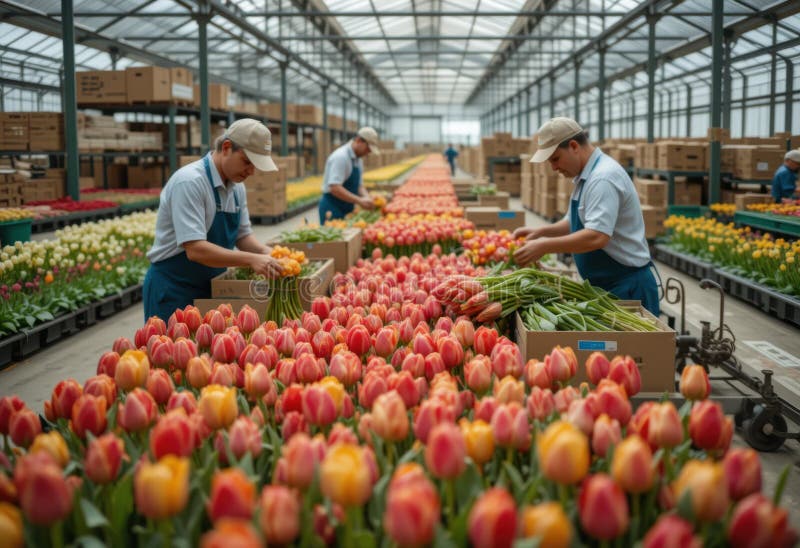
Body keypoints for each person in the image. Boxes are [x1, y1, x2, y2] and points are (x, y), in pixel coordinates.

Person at [513, 117, 661, 316]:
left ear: (574, 146)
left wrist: (544, 245)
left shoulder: (602, 178)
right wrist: (540, 231)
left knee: (631, 348)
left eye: (555, 159)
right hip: (606, 286)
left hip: (627, 287)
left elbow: (597, 236)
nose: (554, 168)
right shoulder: (585, 177)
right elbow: (574, 222)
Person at [143, 118, 282, 321]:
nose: (251, 172)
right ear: (226, 147)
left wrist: (267, 253)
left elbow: (243, 237)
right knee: (175, 349)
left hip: (212, 286)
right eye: (247, 162)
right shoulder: (190, 182)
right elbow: (195, 249)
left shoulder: (236, 188)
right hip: (174, 289)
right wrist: (252, 260)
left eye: (256, 166)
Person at [318, 127, 381, 223]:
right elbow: (334, 188)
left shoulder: (358, 159)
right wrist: (360, 201)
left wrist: (367, 198)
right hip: (332, 207)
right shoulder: (341, 157)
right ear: (359, 141)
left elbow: (359, 185)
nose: (368, 152)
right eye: (368, 148)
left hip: (347, 207)